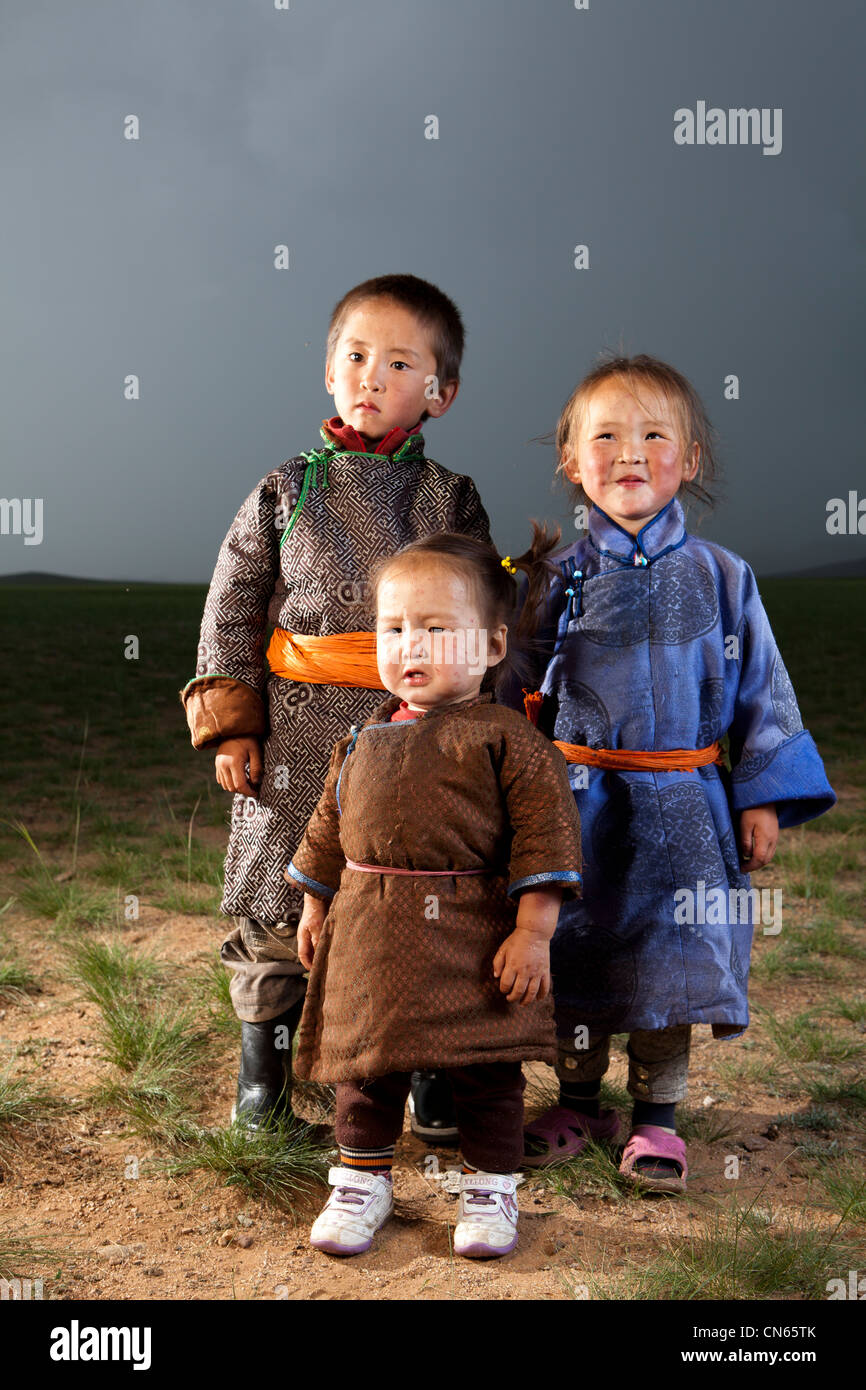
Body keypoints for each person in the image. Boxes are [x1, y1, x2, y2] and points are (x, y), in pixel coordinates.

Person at [504, 354, 835, 1192]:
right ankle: (580, 1102)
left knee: (672, 964)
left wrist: (763, 797)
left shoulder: (725, 577)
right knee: (576, 960)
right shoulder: (549, 578)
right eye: (605, 435)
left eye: (655, 434)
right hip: (576, 803)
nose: (629, 451)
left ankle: (658, 1119)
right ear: (573, 462)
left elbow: (763, 689)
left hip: (690, 806)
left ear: (689, 459)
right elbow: (509, 696)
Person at [180, 275, 491, 1134]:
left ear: (441, 392)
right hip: (293, 730)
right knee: (280, 898)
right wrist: (232, 725)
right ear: (327, 370)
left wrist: (473, 729)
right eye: (355, 356)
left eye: (399, 362)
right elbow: (233, 605)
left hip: (413, 730)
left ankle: (431, 1070)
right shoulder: (284, 490)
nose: (372, 375)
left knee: (419, 897)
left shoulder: (450, 499)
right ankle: (263, 1087)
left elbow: (473, 610)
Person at [287, 532, 583, 1257]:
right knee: (367, 1063)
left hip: (475, 936)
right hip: (370, 936)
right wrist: (315, 903)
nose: (408, 644)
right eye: (393, 628)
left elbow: (545, 837)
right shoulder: (359, 741)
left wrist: (534, 932)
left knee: (485, 1069)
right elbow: (329, 829)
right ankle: (361, 1179)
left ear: (490, 646)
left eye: (435, 628)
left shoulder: (507, 740)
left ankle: (488, 1189)